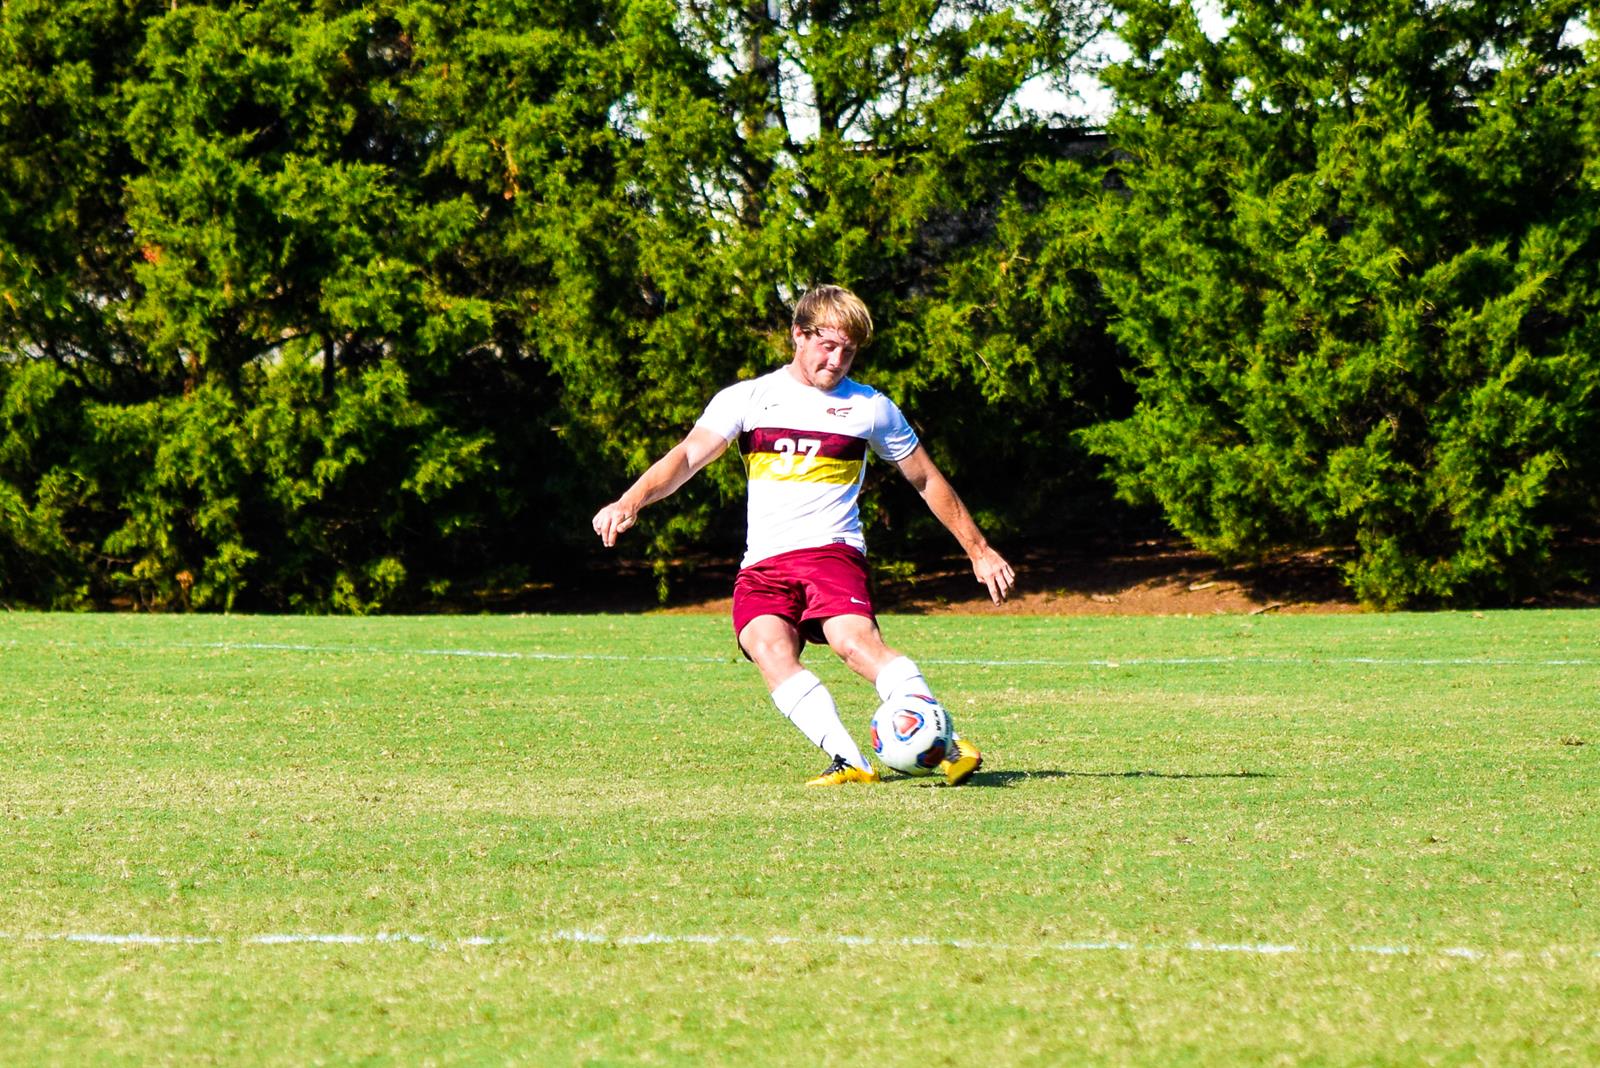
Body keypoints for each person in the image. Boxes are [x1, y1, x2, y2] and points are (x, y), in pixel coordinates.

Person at [592, 285, 1015, 786]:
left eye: (849, 351)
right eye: (828, 346)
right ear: (798, 334)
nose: (837, 361)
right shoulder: (748, 398)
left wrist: (979, 550)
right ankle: (850, 761)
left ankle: (944, 745)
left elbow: (925, 479)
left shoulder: (870, 408)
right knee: (767, 646)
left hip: (830, 552)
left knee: (852, 642)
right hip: (764, 562)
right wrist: (630, 500)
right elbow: (686, 457)